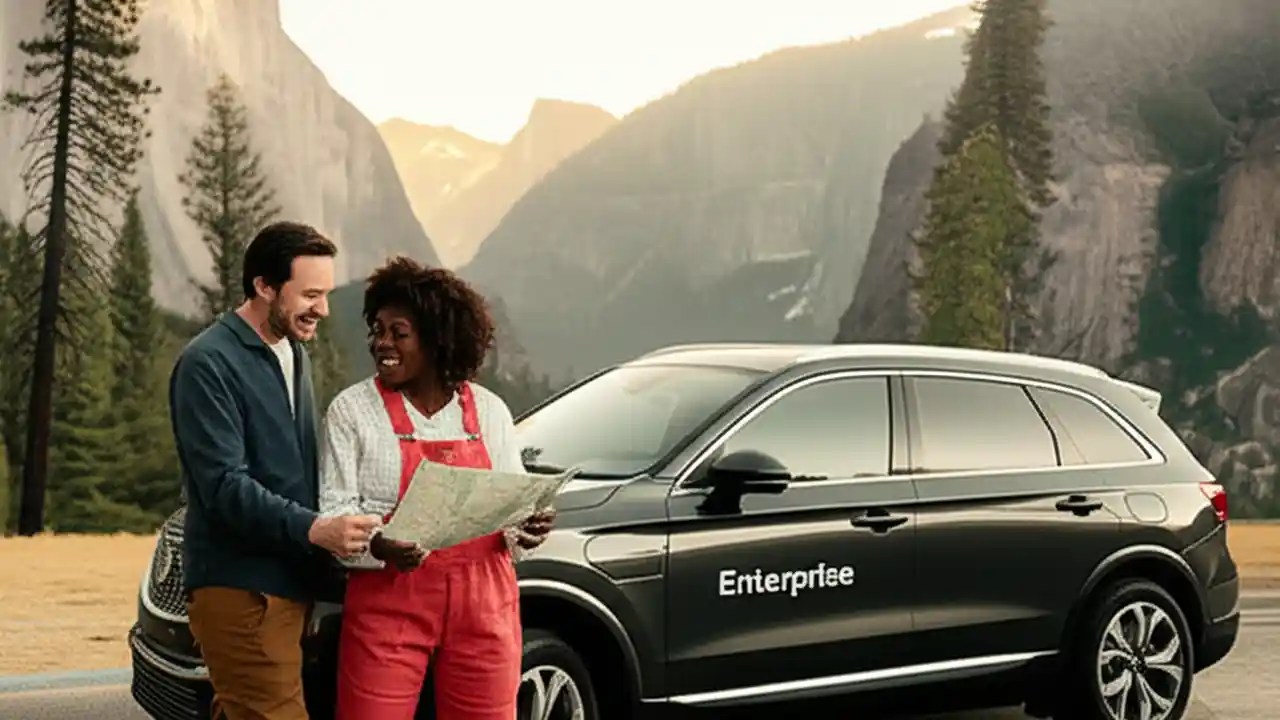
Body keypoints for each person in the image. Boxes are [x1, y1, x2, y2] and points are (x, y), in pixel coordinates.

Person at [317, 255, 556, 720]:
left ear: (437, 338)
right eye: (377, 330)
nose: (381, 343)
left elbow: (508, 519)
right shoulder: (352, 412)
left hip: (485, 607)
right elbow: (333, 514)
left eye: (397, 333)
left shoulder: (490, 412)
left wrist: (525, 530)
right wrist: (379, 544)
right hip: (388, 604)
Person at [169, 221, 383, 720]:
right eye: (310, 294)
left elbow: (299, 465)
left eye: (326, 294)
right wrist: (315, 528)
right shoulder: (207, 363)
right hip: (242, 589)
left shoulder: (293, 353)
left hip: (288, 582)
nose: (323, 310)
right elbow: (223, 487)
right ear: (264, 286)